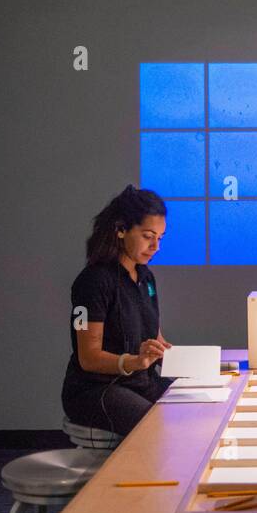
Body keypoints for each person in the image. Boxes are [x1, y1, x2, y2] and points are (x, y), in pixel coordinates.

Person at [61, 185, 174, 437]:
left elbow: (155, 339)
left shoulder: (146, 278)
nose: (156, 245)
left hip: (140, 383)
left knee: (195, 410)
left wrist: (190, 364)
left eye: (160, 237)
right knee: (156, 429)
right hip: (95, 390)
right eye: (148, 236)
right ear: (121, 229)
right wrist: (135, 361)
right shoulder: (92, 282)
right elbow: (88, 358)